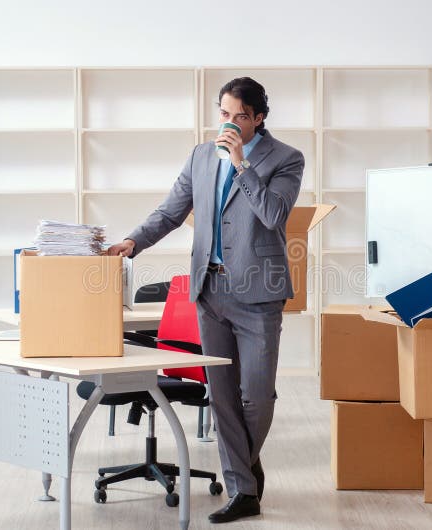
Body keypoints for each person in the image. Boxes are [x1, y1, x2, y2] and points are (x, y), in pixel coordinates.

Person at [107, 77, 304, 524]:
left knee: (256, 396)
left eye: (239, 116)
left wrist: (241, 165)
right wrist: (132, 242)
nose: (229, 124)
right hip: (209, 291)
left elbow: (274, 215)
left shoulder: (286, 159)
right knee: (221, 397)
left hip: (258, 294)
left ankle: (244, 467)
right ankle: (242, 489)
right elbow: (171, 211)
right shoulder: (200, 155)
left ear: (258, 118)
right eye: (223, 114)